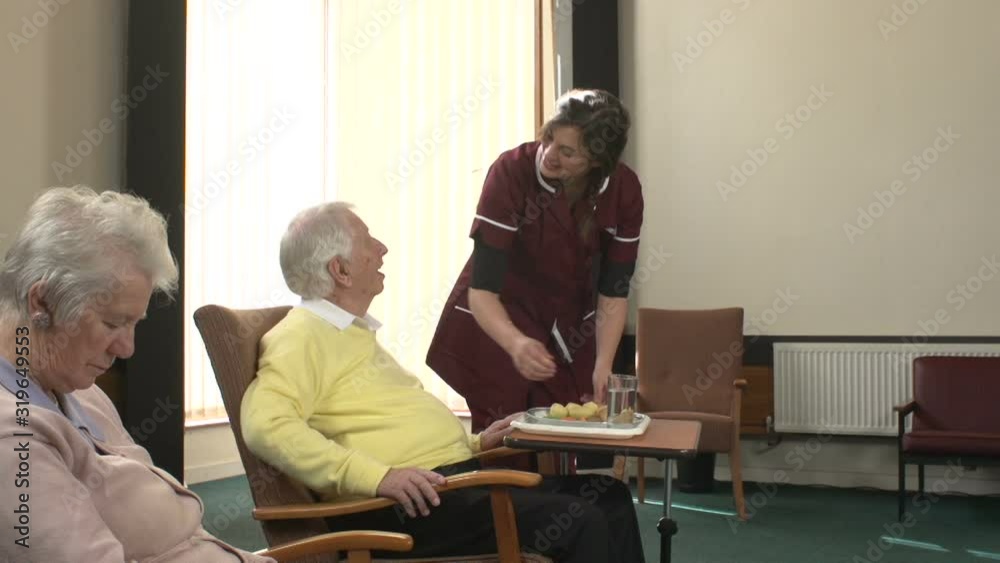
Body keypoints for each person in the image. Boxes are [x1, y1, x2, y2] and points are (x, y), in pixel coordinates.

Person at [241, 202, 645, 563]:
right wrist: (376, 476)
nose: (382, 249)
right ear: (340, 270)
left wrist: (476, 443)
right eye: (368, 241)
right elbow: (266, 426)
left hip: (445, 484)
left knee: (609, 497)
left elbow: (384, 423)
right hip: (403, 506)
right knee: (583, 521)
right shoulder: (301, 335)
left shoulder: (349, 332)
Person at [0, 187, 274, 562]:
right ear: (42, 302)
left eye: (133, 324)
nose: (126, 349)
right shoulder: (12, 436)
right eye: (113, 323)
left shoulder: (80, 391)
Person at [425, 89, 643, 434]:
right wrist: (516, 342)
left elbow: (614, 292)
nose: (550, 154)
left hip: (569, 325)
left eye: (568, 152)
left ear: (598, 162)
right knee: (506, 439)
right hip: (499, 321)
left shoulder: (623, 190)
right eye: (549, 137)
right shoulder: (511, 173)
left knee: (568, 431)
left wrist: (604, 364)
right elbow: (482, 291)